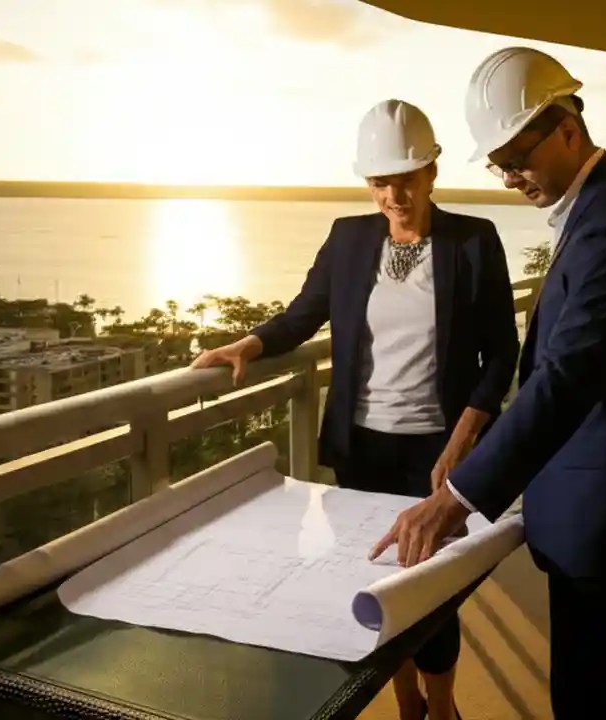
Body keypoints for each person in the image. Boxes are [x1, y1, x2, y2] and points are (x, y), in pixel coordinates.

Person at [369, 47, 606, 720]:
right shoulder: (605, 208)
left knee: (589, 702)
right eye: (497, 164)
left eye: (515, 159)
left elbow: (567, 377)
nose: (506, 178)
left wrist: (457, 500)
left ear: (566, 126)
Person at [191, 98, 519, 720]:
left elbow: (502, 356)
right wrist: (251, 343)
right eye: (380, 182)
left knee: (431, 588)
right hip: (361, 448)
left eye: (406, 178)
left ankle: (442, 707)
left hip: (435, 451)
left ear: (432, 172)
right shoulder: (348, 238)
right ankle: (405, 704)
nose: (394, 194)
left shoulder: (474, 241)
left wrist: (462, 442)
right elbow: (302, 314)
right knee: (371, 583)